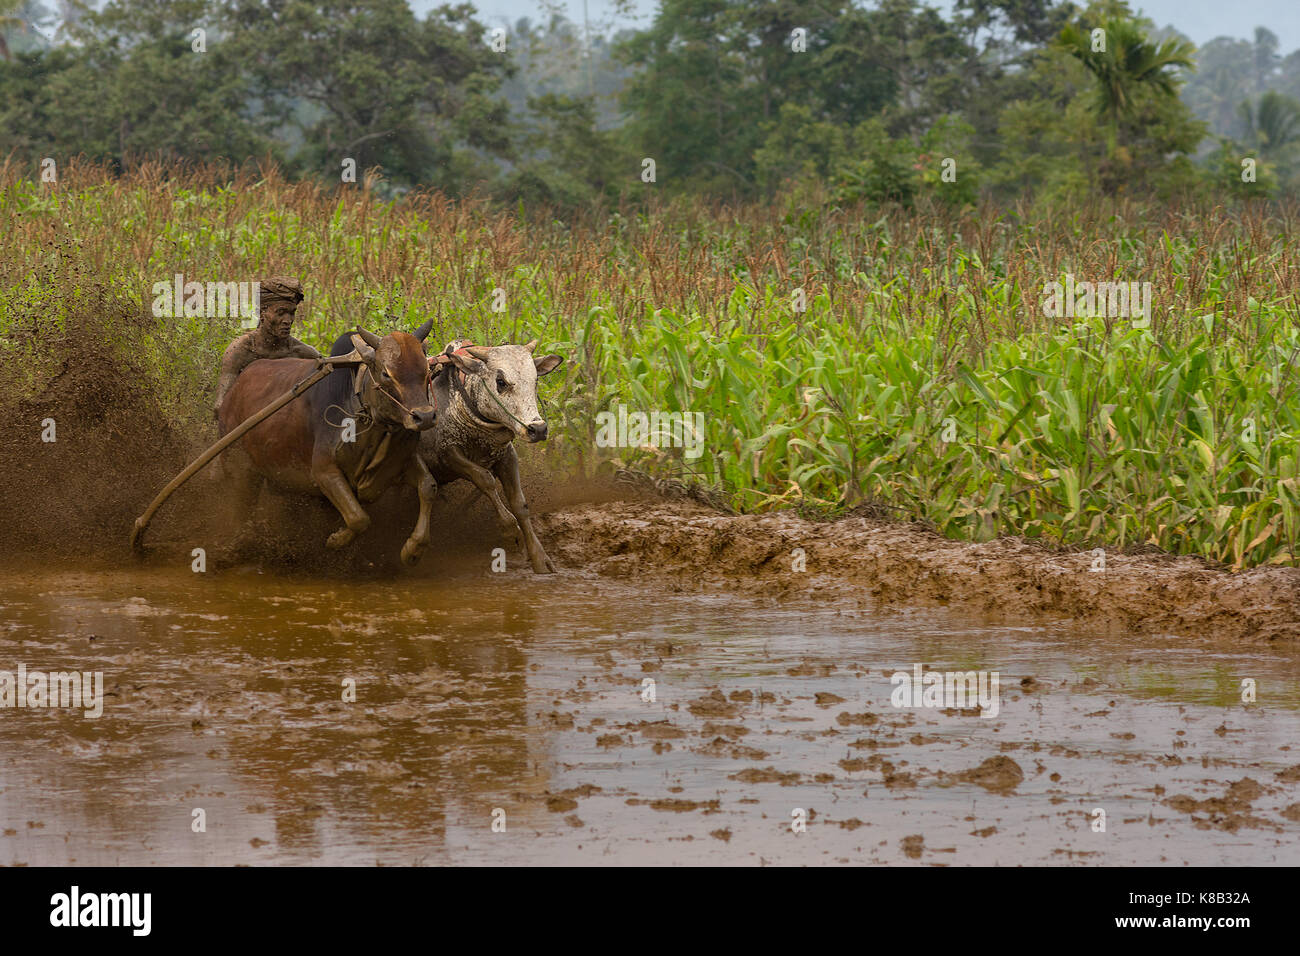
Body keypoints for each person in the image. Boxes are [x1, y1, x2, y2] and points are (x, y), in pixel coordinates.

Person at [212, 275, 320, 422]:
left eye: (292, 313)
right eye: (280, 313)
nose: (288, 321)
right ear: (263, 312)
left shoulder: (303, 353)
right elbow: (220, 406)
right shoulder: (240, 351)